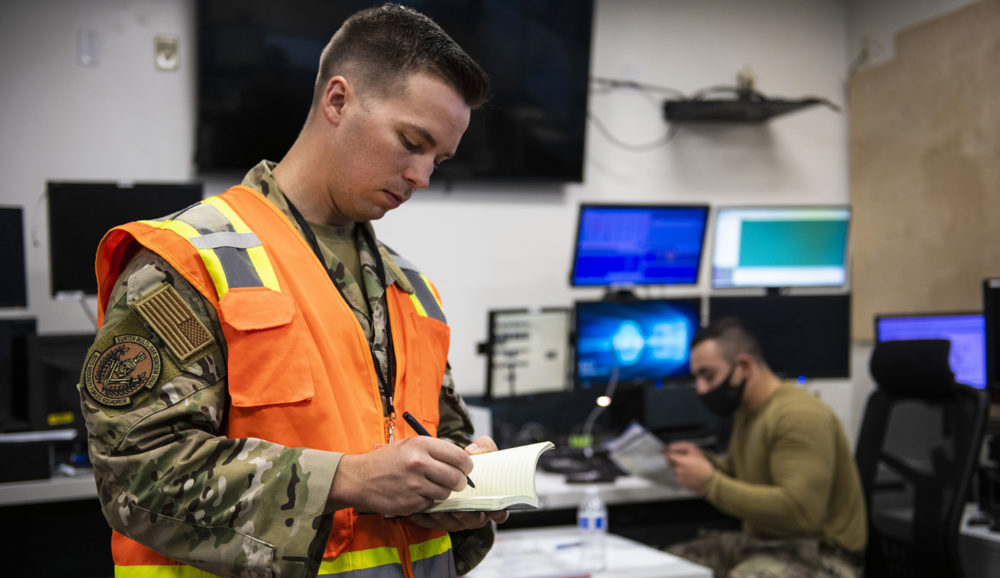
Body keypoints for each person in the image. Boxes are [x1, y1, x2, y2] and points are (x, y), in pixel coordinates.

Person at [78, 4, 503, 577]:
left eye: (439, 159)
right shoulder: (191, 261)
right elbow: (135, 476)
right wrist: (348, 479)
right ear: (337, 100)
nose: (422, 177)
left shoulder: (411, 291)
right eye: (411, 141)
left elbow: (441, 437)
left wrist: (464, 486)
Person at [663, 318, 867, 578]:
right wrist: (706, 463)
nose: (701, 389)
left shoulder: (798, 415)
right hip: (763, 543)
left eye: (709, 375)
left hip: (819, 556)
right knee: (662, 566)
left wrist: (709, 483)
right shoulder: (748, 412)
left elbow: (800, 513)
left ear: (744, 366)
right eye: (697, 378)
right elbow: (750, 477)